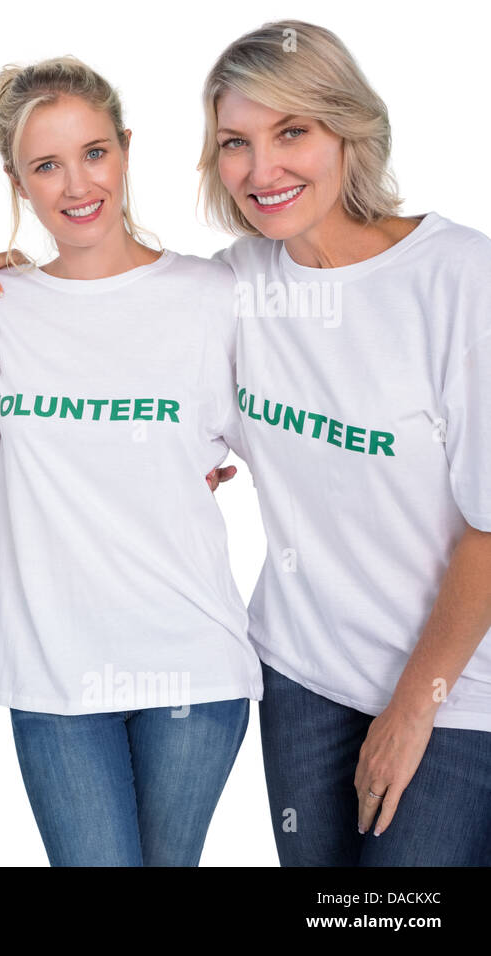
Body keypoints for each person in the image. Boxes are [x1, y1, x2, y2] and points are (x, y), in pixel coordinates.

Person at [200, 19, 491, 865]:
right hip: (301, 676)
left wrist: (413, 707)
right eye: (235, 143)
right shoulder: (237, 284)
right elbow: (119, 333)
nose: (263, 170)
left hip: (458, 693)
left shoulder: (459, 281)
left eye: (292, 131)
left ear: (346, 129)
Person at [0, 56, 259, 865]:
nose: (75, 184)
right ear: (17, 181)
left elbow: (294, 436)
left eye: (93, 152)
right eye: (45, 165)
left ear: (125, 149)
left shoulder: (213, 296)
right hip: (55, 671)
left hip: (191, 666)